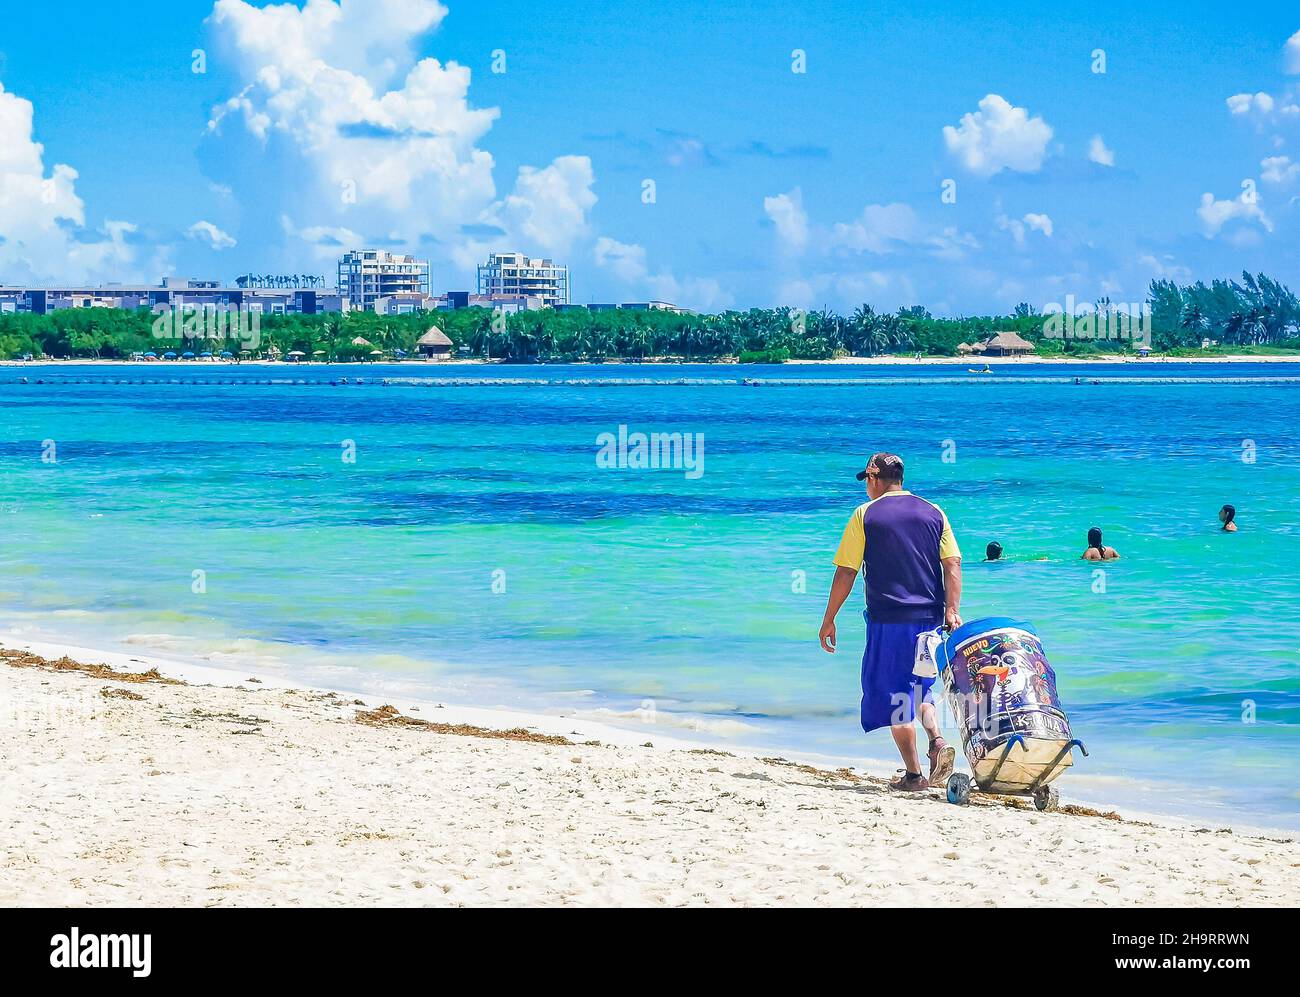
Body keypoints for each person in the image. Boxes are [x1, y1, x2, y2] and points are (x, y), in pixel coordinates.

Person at [818, 452, 963, 793]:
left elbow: (846, 572)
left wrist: (829, 618)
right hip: (930, 620)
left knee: (894, 695)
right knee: (921, 688)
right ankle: (937, 740)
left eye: (866, 481)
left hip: (889, 620)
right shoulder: (934, 511)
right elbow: (953, 564)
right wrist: (952, 610)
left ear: (873, 480)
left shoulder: (865, 515)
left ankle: (914, 775)